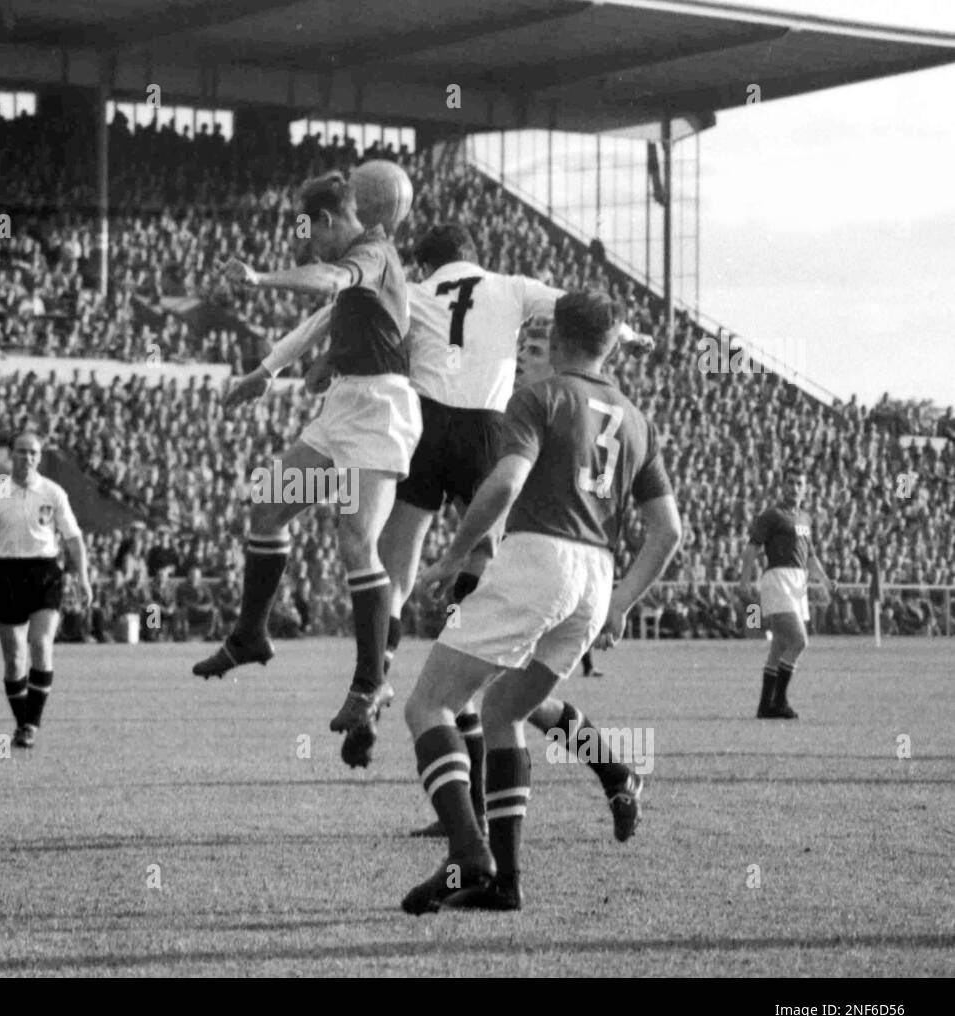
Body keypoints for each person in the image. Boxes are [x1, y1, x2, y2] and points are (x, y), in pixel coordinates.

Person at [227, 222, 648, 822]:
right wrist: (628, 335)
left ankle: (378, 682)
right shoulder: (514, 303)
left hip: (423, 431)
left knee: (423, 617)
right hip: (497, 461)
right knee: (492, 690)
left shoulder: (419, 295)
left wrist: (310, 364)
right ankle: (573, 779)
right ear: (473, 255)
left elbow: (348, 321)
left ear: (425, 264)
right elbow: (579, 310)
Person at [396, 291, 682, 914]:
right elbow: (668, 531)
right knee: (501, 710)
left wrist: (453, 554)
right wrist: (623, 602)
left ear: (555, 340)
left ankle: (469, 854)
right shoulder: (635, 418)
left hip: (539, 560)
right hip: (595, 576)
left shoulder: (542, 397)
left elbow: (506, 482)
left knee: (429, 705)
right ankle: (505, 882)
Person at [193, 171, 420, 769]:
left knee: (355, 539)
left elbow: (329, 279)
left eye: (310, 232)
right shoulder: (361, 264)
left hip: (381, 413)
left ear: (328, 221)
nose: (310, 246)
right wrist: (270, 370)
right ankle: (250, 635)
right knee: (269, 505)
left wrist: (260, 278)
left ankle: (369, 683)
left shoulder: (370, 252)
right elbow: (325, 317)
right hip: (344, 409)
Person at [0, 433, 92, 749]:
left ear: (39, 457)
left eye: (33, 453)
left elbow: (73, 538)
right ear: (10, 454)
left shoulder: (53, 492)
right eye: (21, 452)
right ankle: (22, 724)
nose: (27, 458)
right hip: (9, 573)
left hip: (45, 572)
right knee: (15, 657)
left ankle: (32, 723)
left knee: (41, 643)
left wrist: (83, 578)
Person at [738, 466, 836, 719]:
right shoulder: (772, 515)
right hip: (778, 579)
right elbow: (751, 550)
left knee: (780, 645)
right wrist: (744, 581)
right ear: (783, 485)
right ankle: (779, 701)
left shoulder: (805, 518)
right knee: (799, 641)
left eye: (799, 483)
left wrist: (824, 580)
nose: (795, 487)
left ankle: (764, 706)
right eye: (790, 483)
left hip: (798, 582)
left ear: (805, 488)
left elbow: (810, 556)